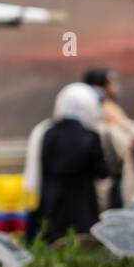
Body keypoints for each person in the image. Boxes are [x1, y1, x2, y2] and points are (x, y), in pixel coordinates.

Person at [27, 83, 109, 241]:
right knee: (81, 249)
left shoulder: (47, 133)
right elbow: (101, 171)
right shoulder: (90, 136)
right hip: (82, 206)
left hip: (50, 203)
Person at [83, 67, 134, 207]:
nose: (117, 85)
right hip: (112, 172)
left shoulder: (108, 107)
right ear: (101, 86)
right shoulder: (105, 110)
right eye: (112, 81)